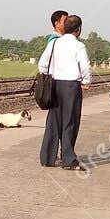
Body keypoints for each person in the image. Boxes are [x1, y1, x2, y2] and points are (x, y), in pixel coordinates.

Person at [37, 13, 92, 170]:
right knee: (70, 122)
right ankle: (68, 159)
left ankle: (48, 157)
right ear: (78, 30)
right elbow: (85, 66)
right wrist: (86, 81)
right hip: (71, 87)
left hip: (55, 85)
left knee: (53, 122)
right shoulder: (79, 46)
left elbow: (42, 64)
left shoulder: (54, 43)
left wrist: (52, 76)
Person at [37, 10, 68, 167]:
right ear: (57, 23)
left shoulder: (62, 40)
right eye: (65, 20)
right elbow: (44, 64)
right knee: (56, 122)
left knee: (60, 122)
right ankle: (52, 155)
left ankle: (56, 154)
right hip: (56, 85)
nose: (67, 23)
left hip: (60, 84)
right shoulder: (54, 41)